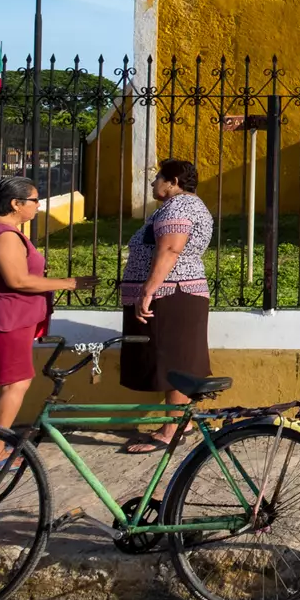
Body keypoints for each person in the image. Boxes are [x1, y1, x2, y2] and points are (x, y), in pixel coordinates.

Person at [0, 176, 96, 472]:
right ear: (16, 204)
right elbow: (17, 280)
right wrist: (70, 283)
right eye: (33, 200)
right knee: (15, 384)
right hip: (6, 320)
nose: (38, 206)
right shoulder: (6, 235)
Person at [119, 159, 214, 453]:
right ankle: (179, 424)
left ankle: (172, 429)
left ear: (173, 181)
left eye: (157, 177)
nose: (152, 183)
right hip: (173, 292)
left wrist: (148, 290)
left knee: (174, 362)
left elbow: (171, 249)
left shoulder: (180, 207)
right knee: (174, 360)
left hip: (172, 293)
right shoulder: (179, 206)